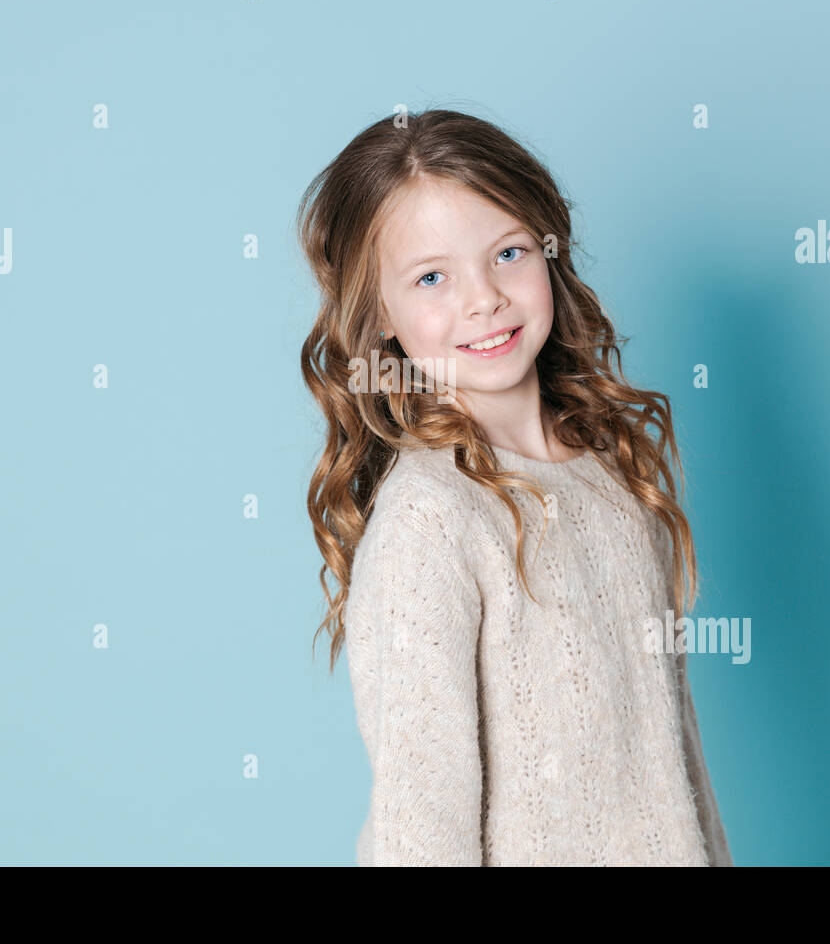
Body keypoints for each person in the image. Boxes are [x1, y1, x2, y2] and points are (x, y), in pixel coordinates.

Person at [298, 108, 733, 867]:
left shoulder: (609, 471)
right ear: (379, 316)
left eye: (507, 252)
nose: (483, 299)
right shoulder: (430, 522)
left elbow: (674, 767)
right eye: (432, 276)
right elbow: (420, 827)